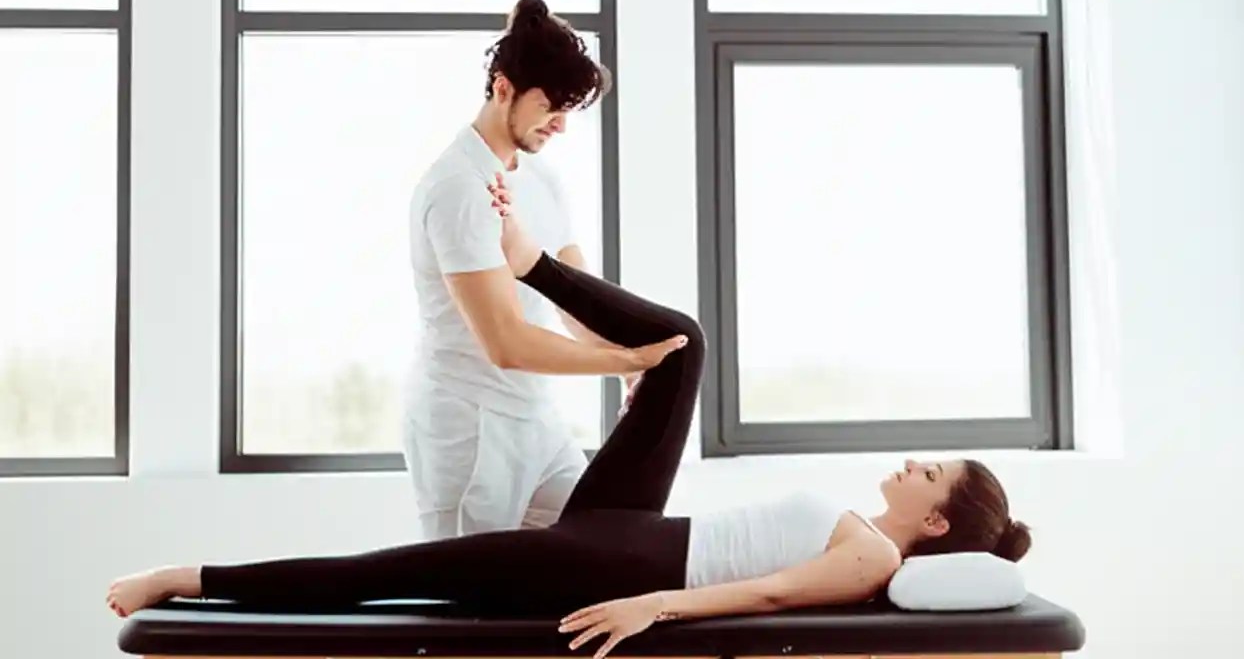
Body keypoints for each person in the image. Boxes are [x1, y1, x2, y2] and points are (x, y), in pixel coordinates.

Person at [106, 191, 1032, 659]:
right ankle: (530, 262)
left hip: (624, 566)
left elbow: (771, 598)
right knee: (681, 347)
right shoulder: (870, 537)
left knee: (397, 576)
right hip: (639, 525)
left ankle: (182, 579)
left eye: (930, 472)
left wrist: (652, 608)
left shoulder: (875, 559)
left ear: (939, 522)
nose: (913, 463)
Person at [403, 0, 650, 540]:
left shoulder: (541, 182)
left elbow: (575, 296)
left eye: (568, 112)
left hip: (537, 420)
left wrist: (631, 364)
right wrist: (624, 358)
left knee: (601, 547)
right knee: (471, 611)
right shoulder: (457, 188)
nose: (560, 126)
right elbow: (505, 343)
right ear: (502, 88)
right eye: (550, 108)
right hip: (468, 428)